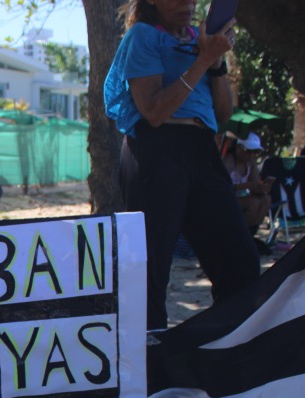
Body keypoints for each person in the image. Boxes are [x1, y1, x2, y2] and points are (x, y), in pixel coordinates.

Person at [104, 0, 260, 334]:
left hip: (201, 150)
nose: (186, 3)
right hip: (154, 152)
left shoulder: (199, 39)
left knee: (241, 262)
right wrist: (202, 59)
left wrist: (215, 62)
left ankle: (226, 351)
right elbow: (154, 111)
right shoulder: (143, 37)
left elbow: (221, 115)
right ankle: (150, 366)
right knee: (149, 272)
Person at [222, 132, 274, 244]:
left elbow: (254, 185)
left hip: (240, 199)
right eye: (249, 151)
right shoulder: (229, 160)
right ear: (238, 148)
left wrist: (261, 187)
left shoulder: (251, 162)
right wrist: (246, 186)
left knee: (266, 199)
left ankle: (248, 235)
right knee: (254, 203)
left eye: (255, 152)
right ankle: (238, 237)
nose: (251, 155)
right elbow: (222, 187)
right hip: (225, 200)